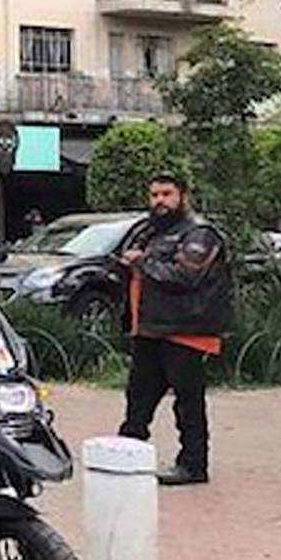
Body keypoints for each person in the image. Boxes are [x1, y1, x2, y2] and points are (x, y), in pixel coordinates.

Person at [116, 172, 231, 487]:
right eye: (154, 195)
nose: (159, 201)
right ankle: (127, 454)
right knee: (138, 397)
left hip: (186, 329)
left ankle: (194, 465)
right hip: (150, 329)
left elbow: (186, 276)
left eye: (166, 194)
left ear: (183, 196)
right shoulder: (149, 231)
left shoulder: (200, 233)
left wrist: (142, 263)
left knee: (187, 401)